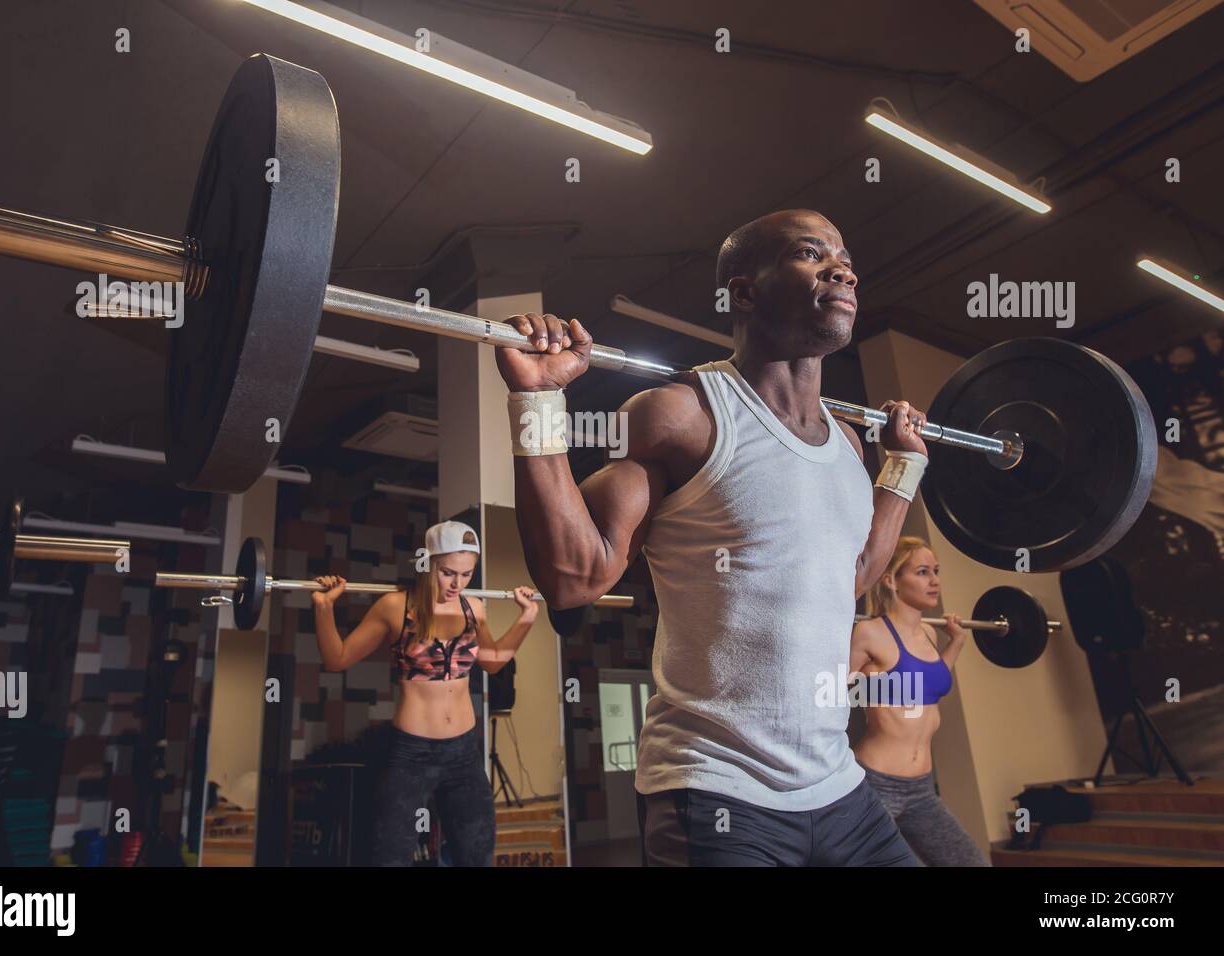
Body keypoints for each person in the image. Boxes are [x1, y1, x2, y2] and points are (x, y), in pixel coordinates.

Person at [494, 209, 930, 866]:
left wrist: (902, 466)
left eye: (843, 256)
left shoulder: (846, 445)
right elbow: (573, 577)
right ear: (745, 291)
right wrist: (537, 403)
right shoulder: (682, 415)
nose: (843, 268)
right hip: (721, 795)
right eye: (811, 253)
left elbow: (855, 575)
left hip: (841, 791)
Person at [311, 520, 538, 866]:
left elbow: (492, 663)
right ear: (427, 563)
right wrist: (324, 609)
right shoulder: (395, 606)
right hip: (412, 753)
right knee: (391, 855)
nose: (457, 584)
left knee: (477, 852)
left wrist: (527, 617)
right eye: (448, 573)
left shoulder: (473, 607)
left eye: (466, 574)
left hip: (464, 752)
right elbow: (337, 659)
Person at [849, 536, 990, 866]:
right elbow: (830, 695)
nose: (935, 580)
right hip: (875, 784)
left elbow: (930, 685)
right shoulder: (870, 633)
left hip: (922, 789)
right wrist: (870, 688)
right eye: (923, 572)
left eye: (936, 571)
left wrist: (955, 644)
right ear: (891, 580)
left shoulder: (929, 633)